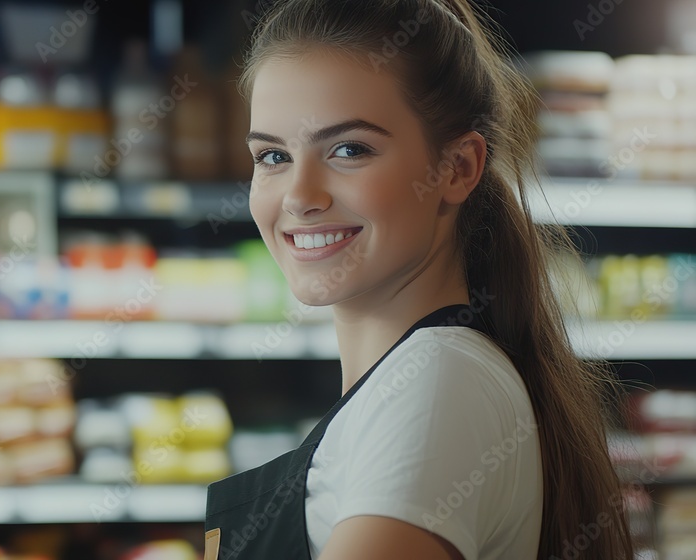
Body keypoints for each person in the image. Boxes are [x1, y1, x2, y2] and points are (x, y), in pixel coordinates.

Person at [203, 0, 635, 559]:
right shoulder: (411, 383)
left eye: (348, 149)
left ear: (458, 168)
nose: (300, 197)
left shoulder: (434, 384)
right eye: (272, 156)